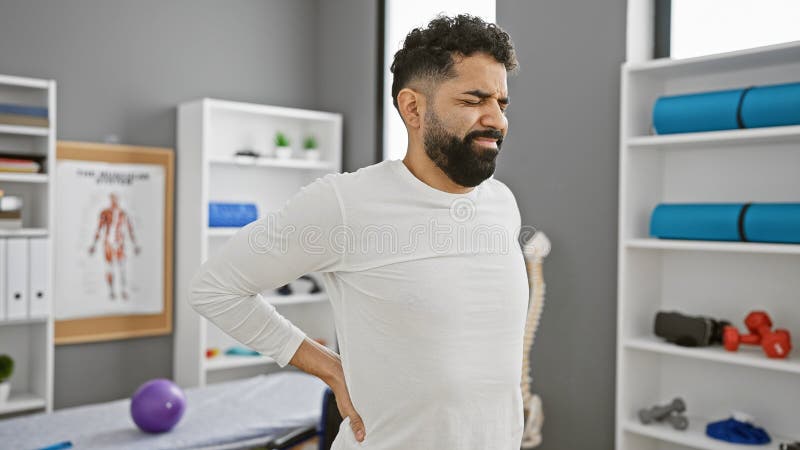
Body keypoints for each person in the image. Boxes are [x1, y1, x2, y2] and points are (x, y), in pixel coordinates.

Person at [189, 14, 526, 449]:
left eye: (501, 103)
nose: (495, 119)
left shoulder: (503, 204)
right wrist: (329, 366)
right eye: (474, 99)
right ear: (413, 108)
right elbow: (213, 288)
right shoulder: (345, 204)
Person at [89, 193, 141, 300]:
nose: (114, 202)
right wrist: (94, 244)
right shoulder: (105, 213)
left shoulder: (123, 214)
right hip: (108, 243)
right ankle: (111, 291)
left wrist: (135, 244)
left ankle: (123, 290)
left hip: (119, 243)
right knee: (110, 268)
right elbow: (99, 228)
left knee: (122, 268)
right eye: (113, 200)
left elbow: (130, 229)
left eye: (116, 199)